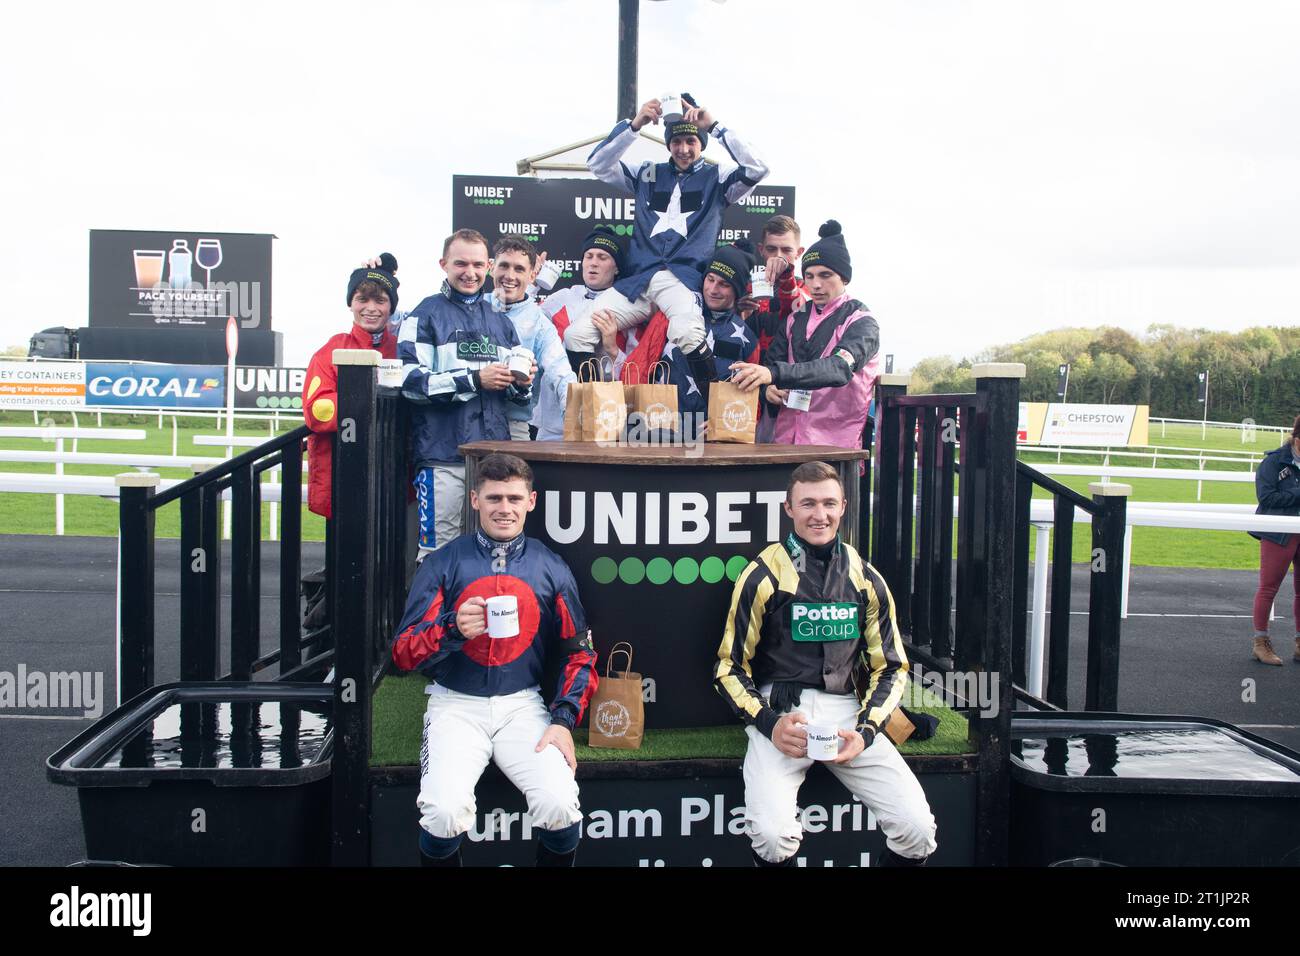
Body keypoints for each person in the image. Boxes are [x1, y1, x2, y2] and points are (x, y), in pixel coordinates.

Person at [714, 461, 937, 866]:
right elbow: (729, 668)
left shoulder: (866, 577)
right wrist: (769, 724)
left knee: (917, 831)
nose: (820, 514)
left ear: (844, 506)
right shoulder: (761, 575)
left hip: (848, 715)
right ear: (789, 509)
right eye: (808, 504)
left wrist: (867, 732)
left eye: (829, 503)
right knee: (771, 835)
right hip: (782, 714)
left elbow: (892, 667)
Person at [391, 453, 599, 867]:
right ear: (474, 500)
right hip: (455, 704)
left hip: (522, 704)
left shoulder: (550, 566)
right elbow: (402, 653)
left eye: (514, 498)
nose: (504, 508)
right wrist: (451, 628)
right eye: (494, 498)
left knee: (560, 806)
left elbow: (580, 653)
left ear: (531, 501)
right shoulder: (442, 563)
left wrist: (562, 721)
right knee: (444, 813)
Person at [566, 94, 769, 386]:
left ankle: (714, 403)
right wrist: (635, 124)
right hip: (639, 282)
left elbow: (758, 168)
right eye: (676, 142)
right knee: (576, 335)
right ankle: (599, 403)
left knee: (687, 334)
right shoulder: (648, 173)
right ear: (667, 143)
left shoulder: (718, 178)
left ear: (702, 143)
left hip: (681, 282)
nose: (683, 149)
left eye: (692, 142)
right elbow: (598, 164)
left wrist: (714, 126)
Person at [398, 229, 536, 555]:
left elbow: (516, 401)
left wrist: (521, 386)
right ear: (444, 264)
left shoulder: (501, 321)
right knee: (436, 551)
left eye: (477, 264)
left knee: (491, 550)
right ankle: (435, 609)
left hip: (492, 458)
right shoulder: (424, 313)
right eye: (460, 264)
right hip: (441, 456)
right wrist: (475, 379)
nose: (469, 273)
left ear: (488, 266)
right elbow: (410, 382)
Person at [730, 221, 882, 451]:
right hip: (785, 444)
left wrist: (773, 374)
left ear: (844, 278)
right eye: (809, 276)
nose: (816, 284)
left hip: (834, 447)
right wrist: (768, 390)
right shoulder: (795, 318)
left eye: (825, 275)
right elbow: (771, 366)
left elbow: (839, 368)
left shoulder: (862, 320)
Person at [303, 254, 400, 518]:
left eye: (380, 300)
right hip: (343, 475)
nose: (371, 308)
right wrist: (372, 403)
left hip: (397, 474)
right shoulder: (333, 348)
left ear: (391, 306)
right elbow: (316, 411)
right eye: (362, 299)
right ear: (351, 304)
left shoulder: (404, 347)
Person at [622, 240, 760, 422]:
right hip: (663, 430)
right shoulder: (673, 315)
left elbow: (750, 399)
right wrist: (632, 413)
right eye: (710, 279)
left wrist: (724, 424)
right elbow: (641, 363)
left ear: (737, 290)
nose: (713, 289)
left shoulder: (747, 337)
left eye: (724, 284)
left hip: (712, 442)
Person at [535, 225, 629, 439]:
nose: (593, 262)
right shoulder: (561, 298)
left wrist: (612, 348)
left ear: (616, 268)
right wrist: (532, 283)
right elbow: (523, 328)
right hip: (554, 426)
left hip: (603, 424)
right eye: (589, 256)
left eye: (603, 257)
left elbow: (636, 373)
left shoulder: (628, 307)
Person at [486, 235, 575, 442]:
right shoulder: (474, 308)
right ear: (492, 267)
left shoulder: (541, 324)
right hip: (464, 421)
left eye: (519, 269)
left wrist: (576, 416)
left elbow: (561, 373)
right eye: (504, 266)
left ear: (533, 275)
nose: (509, 275)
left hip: (513, 427)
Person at [1249, 417, 1300, 665]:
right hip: (1278, 532)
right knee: (1269, 588)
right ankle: (1261, 643)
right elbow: (1266, 497)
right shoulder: (1273, 461)